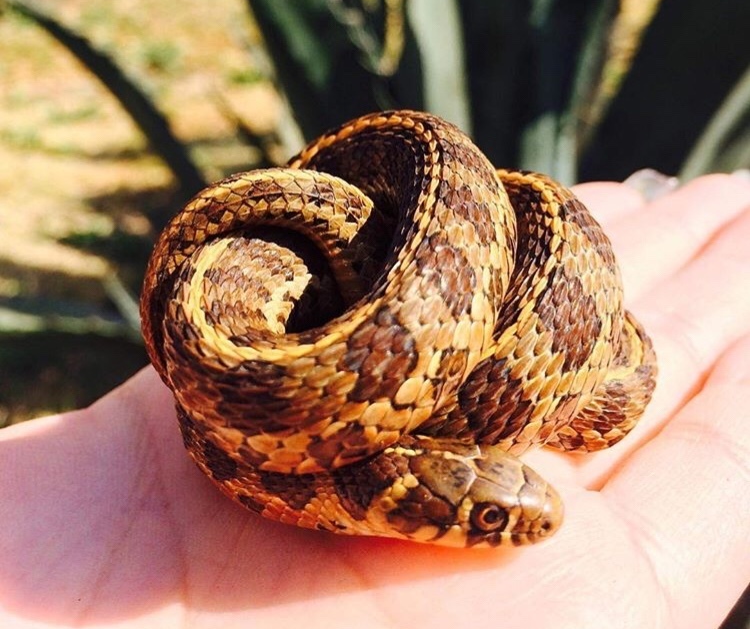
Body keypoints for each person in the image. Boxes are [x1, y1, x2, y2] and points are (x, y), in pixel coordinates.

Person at [0, 173, 748, 629]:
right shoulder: (231, 423)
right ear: (398, 497)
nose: (536, 517)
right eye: (487, 518)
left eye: (496, 512)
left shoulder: (247, 451)